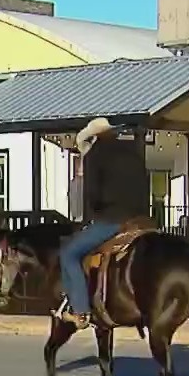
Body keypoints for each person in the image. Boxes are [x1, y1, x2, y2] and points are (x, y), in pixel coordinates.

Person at [58, 118, 138, 326]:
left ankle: (80, 311)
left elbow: (92, 195)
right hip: (139, 219)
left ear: (94, 136)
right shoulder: (132, 151)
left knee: (69, 254)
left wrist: (89, 218)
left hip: (111, 219)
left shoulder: (95, 155)